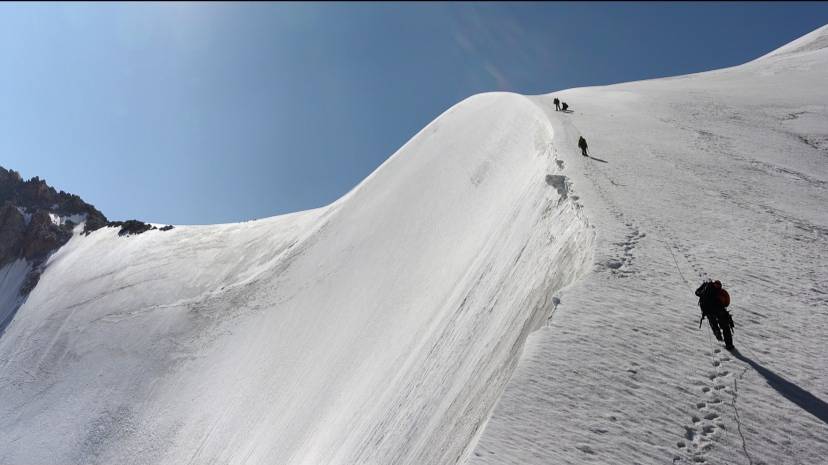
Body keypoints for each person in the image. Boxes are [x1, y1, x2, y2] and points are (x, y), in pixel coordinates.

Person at [695, 280, 735, 350]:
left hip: (708, 311)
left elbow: (697, 293)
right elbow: (727, 302)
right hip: (720, 311)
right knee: (725, 327)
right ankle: (729, 345)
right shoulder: (721, 292)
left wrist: (702, 288)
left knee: (713, 323)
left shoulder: (706, 289)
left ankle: (718, 334)